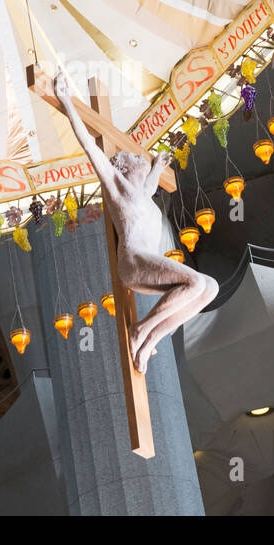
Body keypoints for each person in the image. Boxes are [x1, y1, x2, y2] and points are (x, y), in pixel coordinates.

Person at [53, 71, 218, 374]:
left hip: (148, 261)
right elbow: (90, 146)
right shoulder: (117, 186)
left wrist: (157, 166)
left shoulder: (143, 194)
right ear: (124, 167)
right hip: (133, 261)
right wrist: (66, 100)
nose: (140, 156)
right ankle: (141, 331)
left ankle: (152, 334)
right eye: (135, 157)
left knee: (210, 287)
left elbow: (151, 186)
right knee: (195, 282)